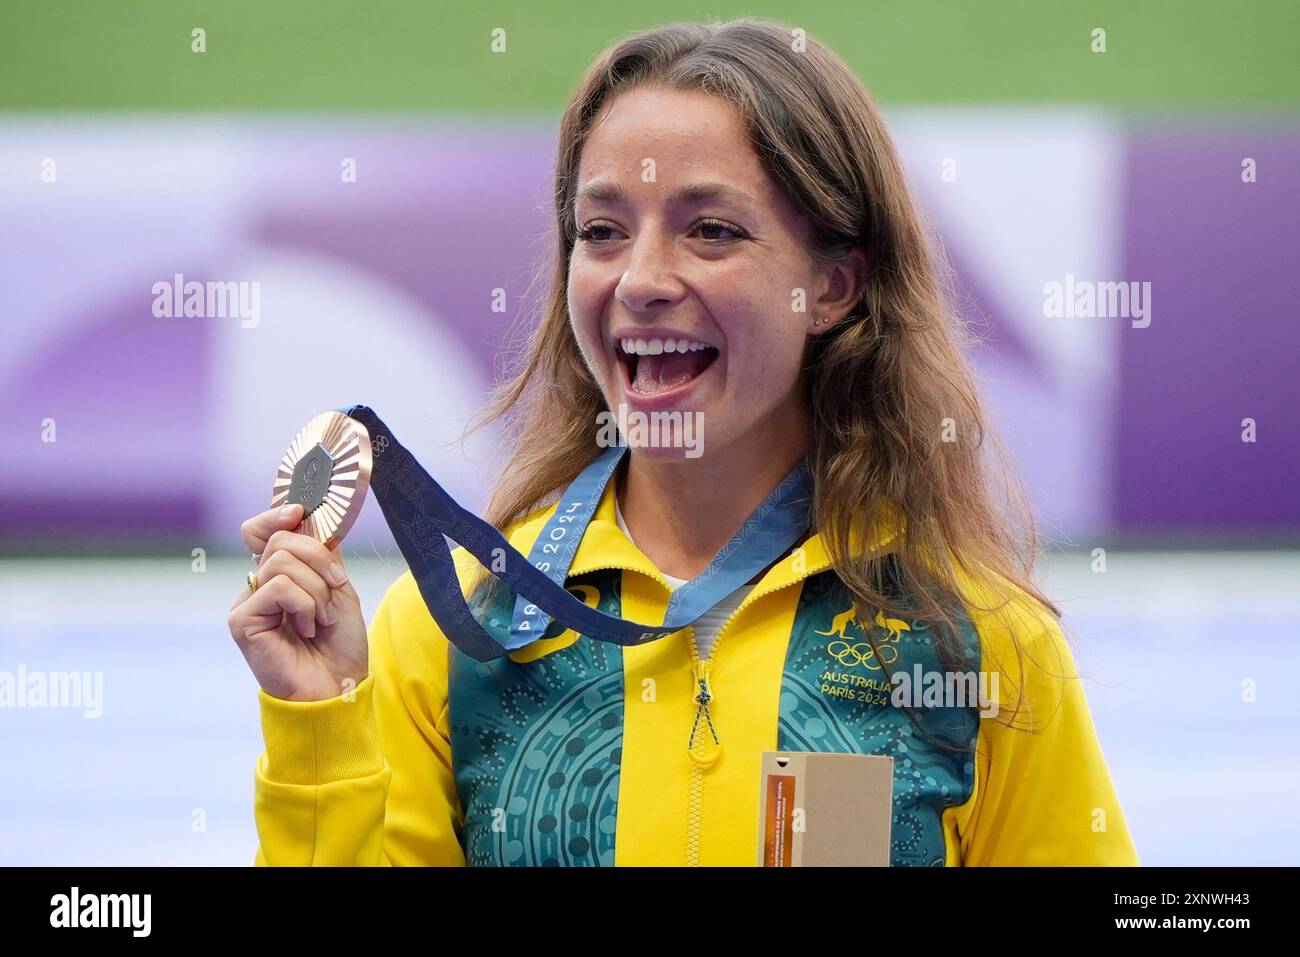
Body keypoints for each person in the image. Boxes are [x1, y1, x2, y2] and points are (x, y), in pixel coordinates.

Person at [228, 17, 1139, 866]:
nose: (642, 278)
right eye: (602, 230)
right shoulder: (456, 626)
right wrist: (319, 729)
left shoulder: (974, 645)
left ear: (833, 286)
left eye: (711, 230)